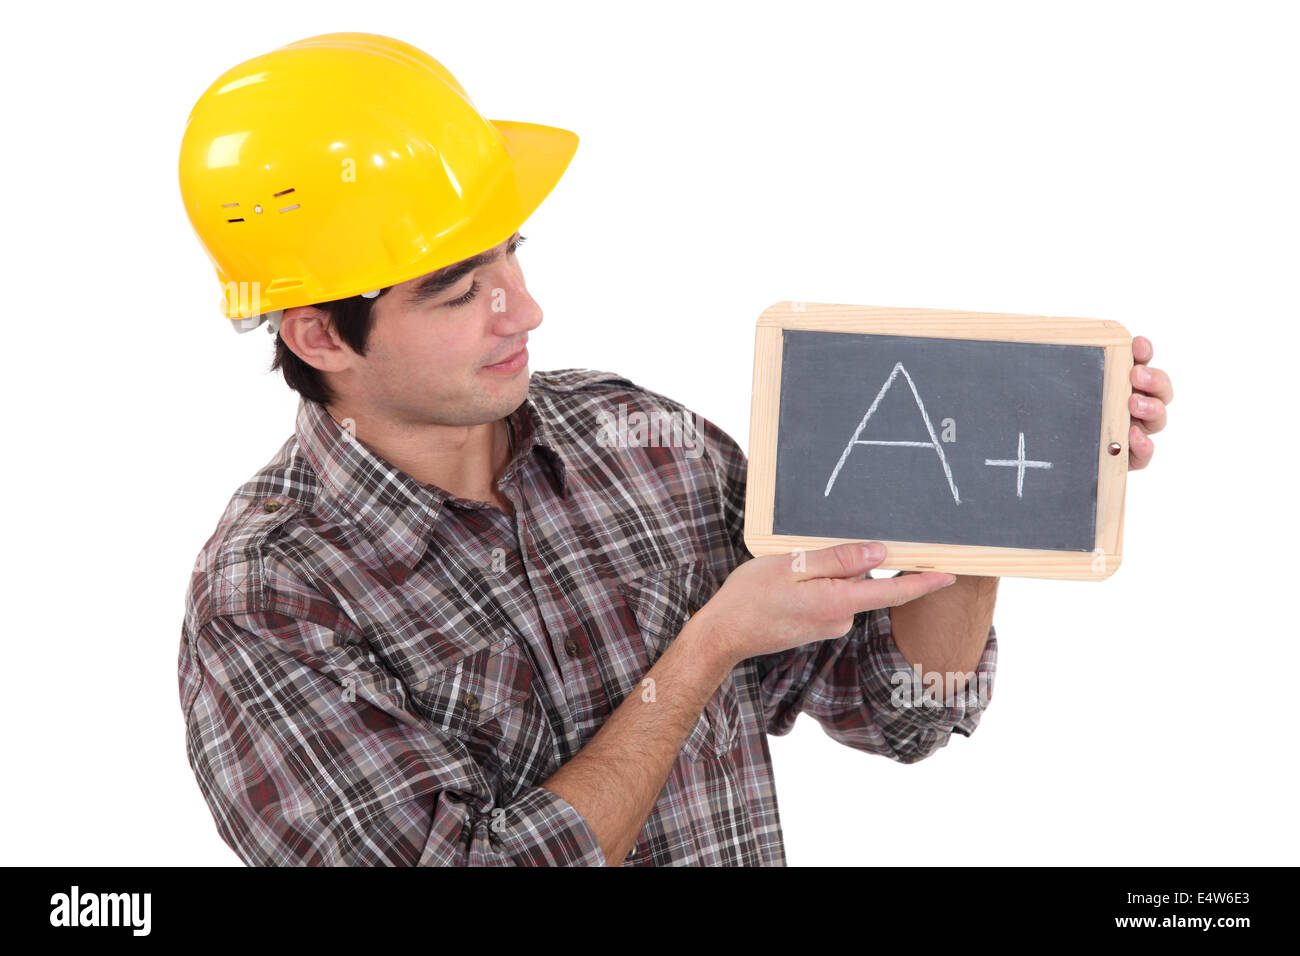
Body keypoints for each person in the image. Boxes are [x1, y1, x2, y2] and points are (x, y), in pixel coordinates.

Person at [177, 33, 1174, 866]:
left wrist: (997, 490)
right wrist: (703, 648)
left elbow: (895, 708)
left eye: (510, 256)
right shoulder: (269, 597)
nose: (523, 309)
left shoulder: (640, 444)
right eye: (453, 291)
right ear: (317, 335)